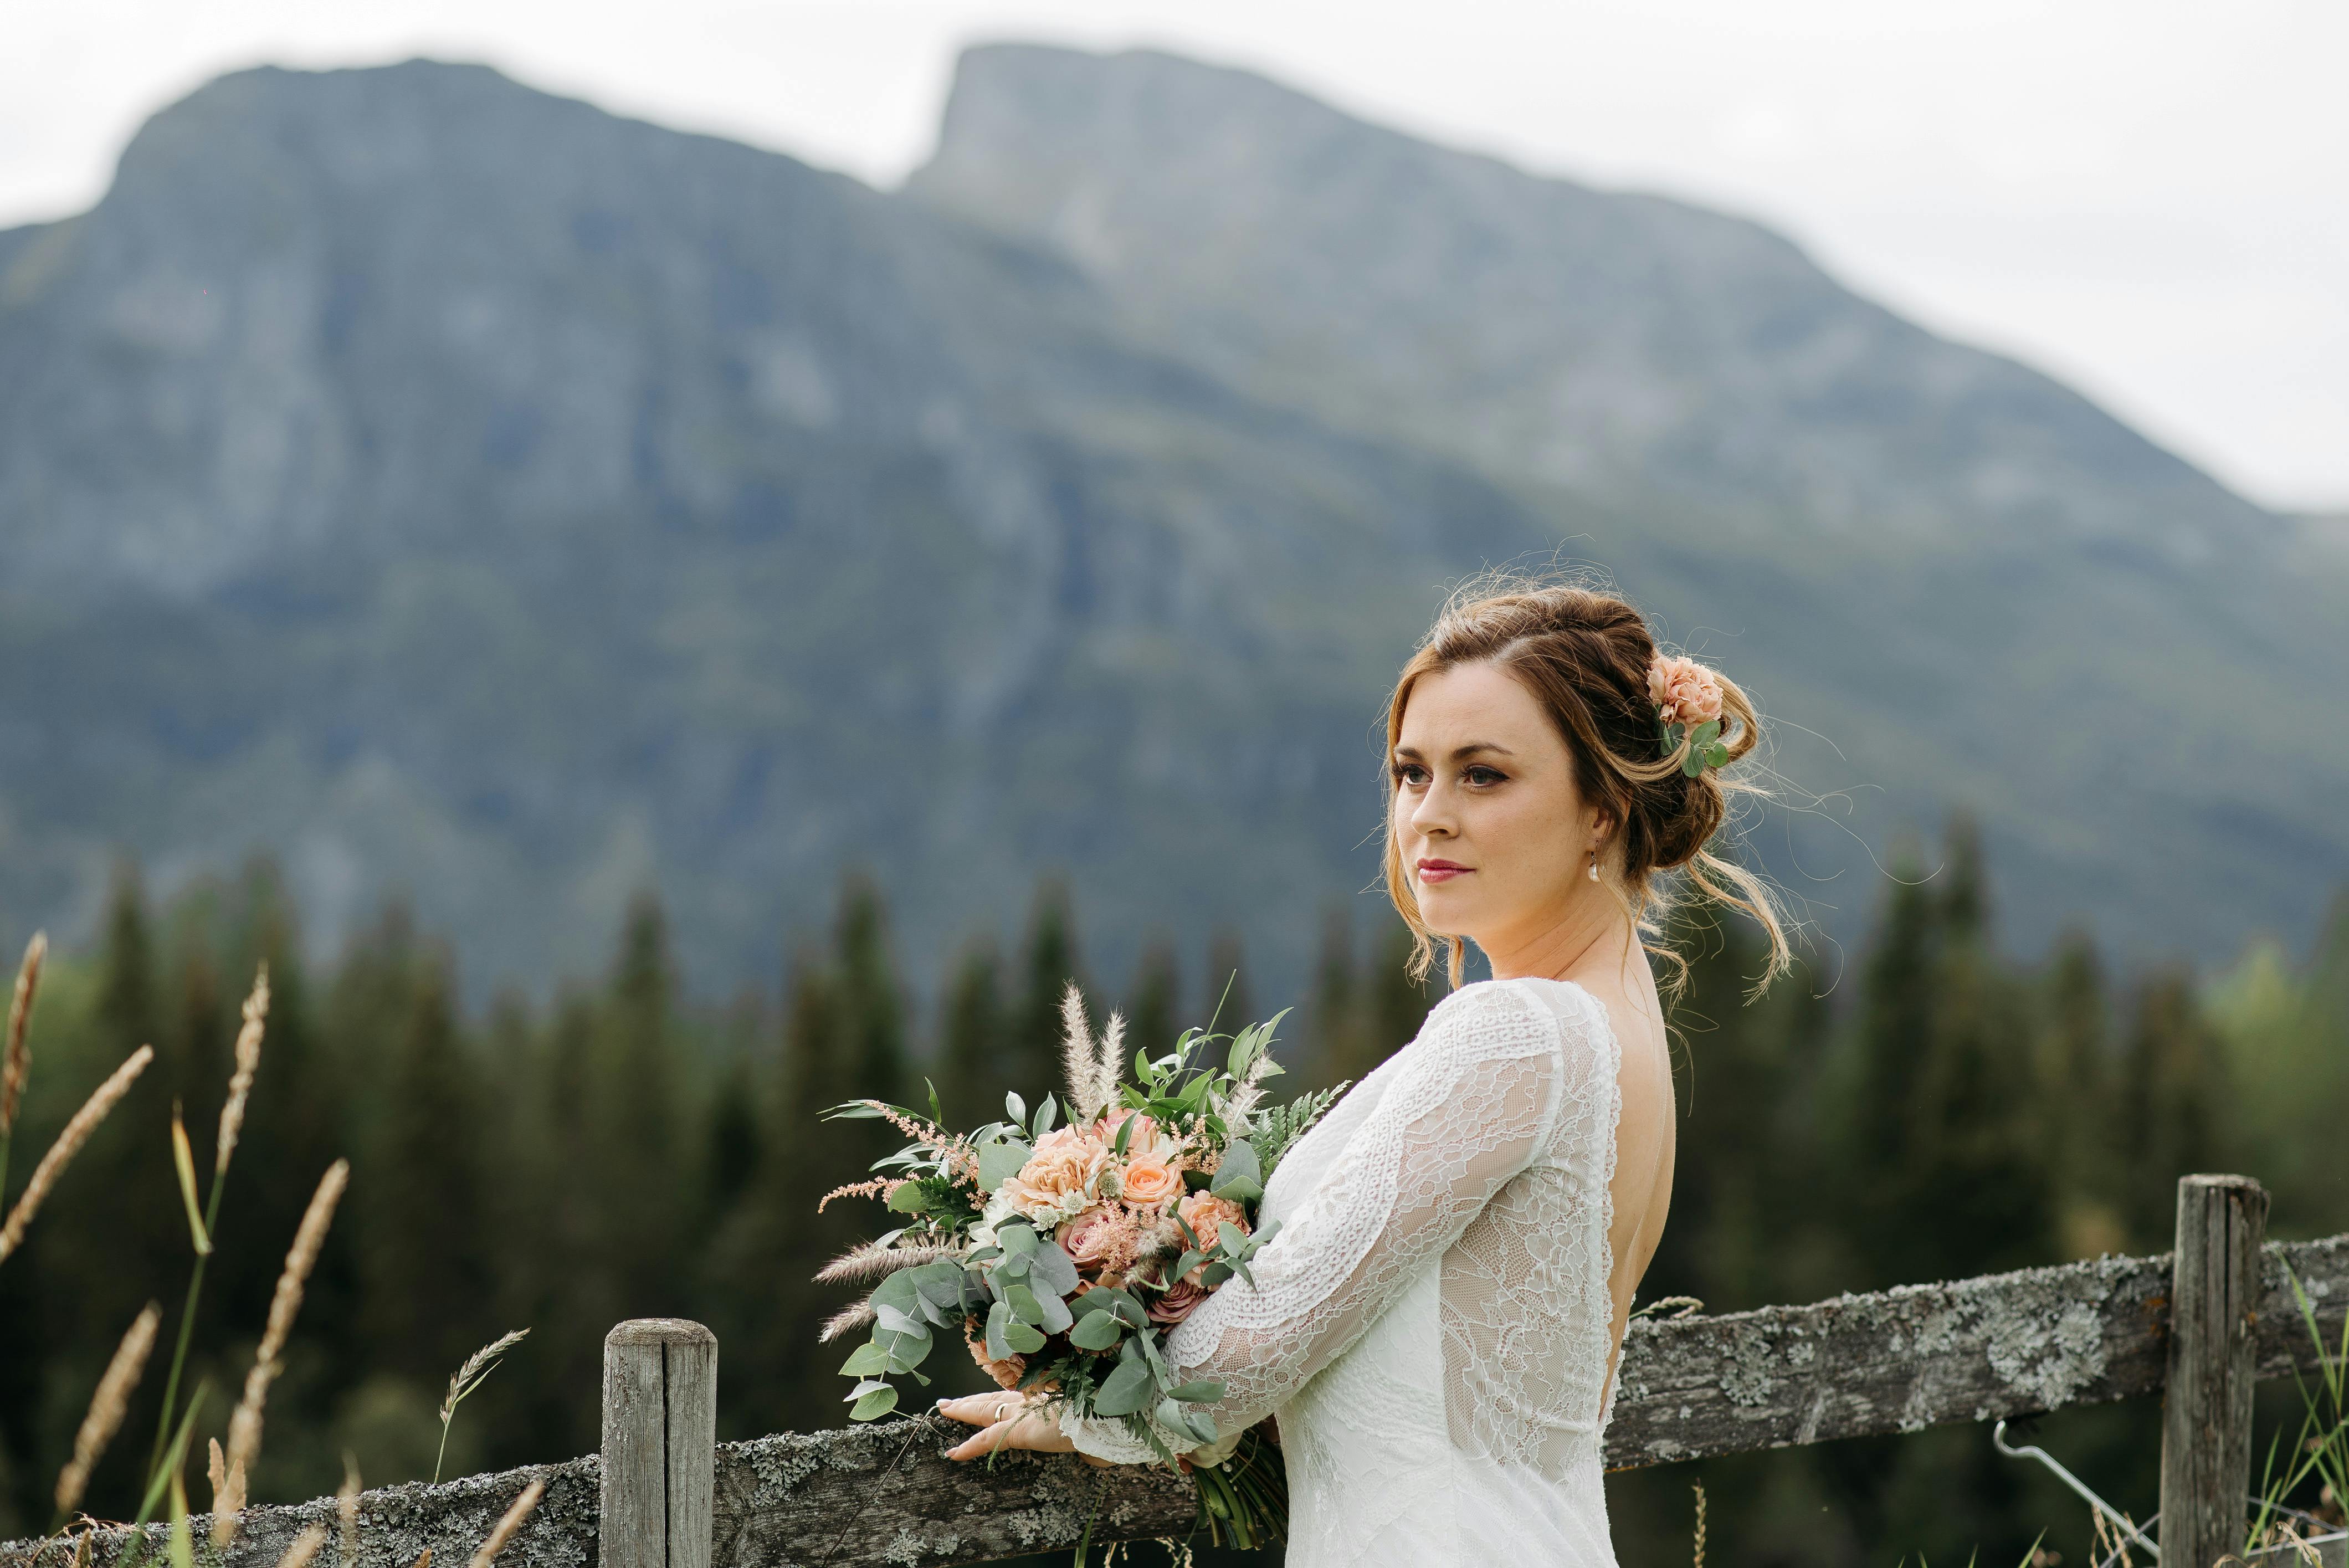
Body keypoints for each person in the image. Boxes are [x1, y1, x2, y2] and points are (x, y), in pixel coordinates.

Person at [940, 578, 1791, 1566]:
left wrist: (1080, 1403)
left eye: (1484, 775)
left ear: (1601, 806)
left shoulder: (1518, 1032)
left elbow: (1236, 1366)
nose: (1428, 814)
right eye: (1410, 771)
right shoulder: (1614, 1026)